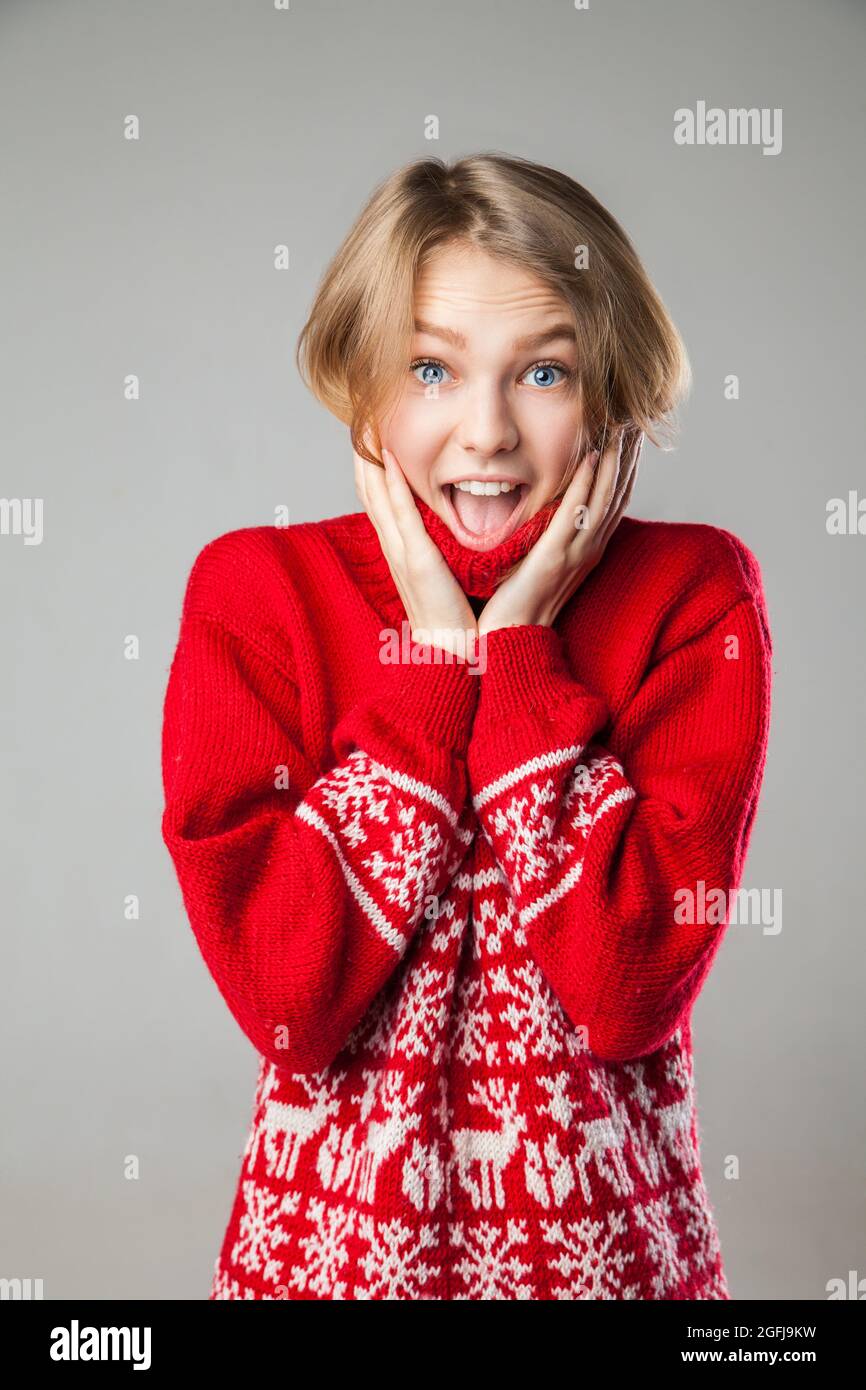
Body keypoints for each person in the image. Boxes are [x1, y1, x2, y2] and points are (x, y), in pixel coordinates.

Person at [161, 153, 773, 1299]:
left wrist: (519, 654)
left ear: (611, 393)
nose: (485, 432)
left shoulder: (694, 596)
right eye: (430, 368)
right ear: (360, 385)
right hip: (329, 1273)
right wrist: (435, 667)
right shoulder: (256, 596)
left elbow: (625, 990)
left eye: (542, 371)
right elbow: (289, 1004)